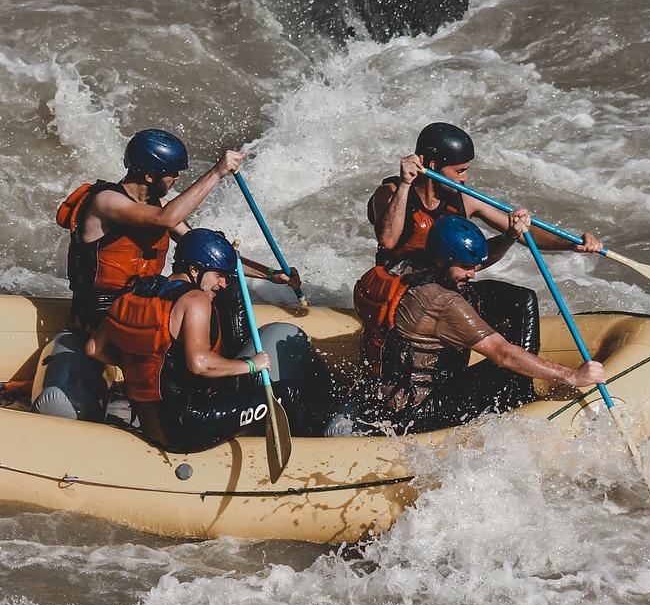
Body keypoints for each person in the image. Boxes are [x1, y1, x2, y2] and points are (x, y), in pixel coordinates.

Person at [37, 129, 299, 421]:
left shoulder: (154, 206)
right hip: (101, 313)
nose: (176, 179)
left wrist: (270, 274)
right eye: (172, 174)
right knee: (181, 325)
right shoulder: (106, 202)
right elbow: (166, 219)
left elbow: (205, 252)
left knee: (229, 289)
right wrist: (217, 172)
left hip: (141, 301)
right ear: (150, 176)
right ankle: (197, 381)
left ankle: (231, 376)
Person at [353, 122, 604, 374]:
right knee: (482, 332)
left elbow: (523, 233)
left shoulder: (464, 198)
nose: (464, 178)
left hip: (448, 287)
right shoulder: (391, 193)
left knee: (521, 300)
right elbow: (388, 240)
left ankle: (516, 381)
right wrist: (406, 184)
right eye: (459, 171)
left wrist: (571, 243)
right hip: (409, 299)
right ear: (431, 166)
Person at [359, 216, 605, 435]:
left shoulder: (404, 267)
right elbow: (503, 353)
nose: (473, 274)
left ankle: (520, 393)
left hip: (382, 397)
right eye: (466, 267)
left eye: (474, 266)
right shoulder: (444, 303)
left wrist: (510, 236)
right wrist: (572, 376)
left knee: (520, 299)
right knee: (511, 368)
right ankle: (521, 406)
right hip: (416, 412)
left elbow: (467, 266)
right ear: (441, 262)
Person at [85, 229, 311, 452]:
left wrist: (137, 365)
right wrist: (252, 364)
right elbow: (200, 364)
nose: (223, 283)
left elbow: (94, 348)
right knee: (286, 393)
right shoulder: (195, 300)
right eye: (218, 275)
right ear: (194, 269)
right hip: (189, 425)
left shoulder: (134, 292)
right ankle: (315, 451)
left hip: (149, 421)